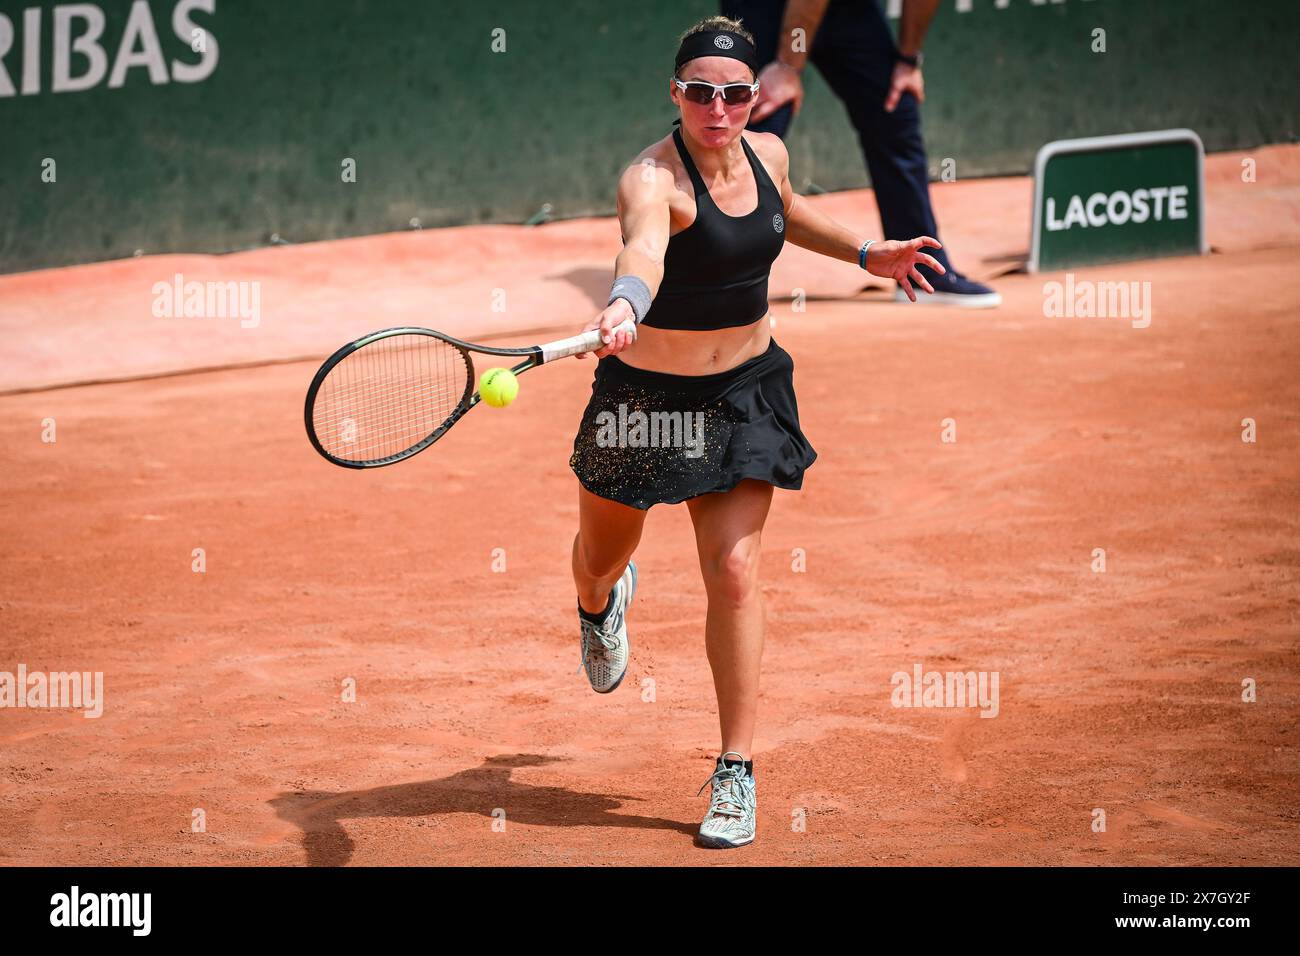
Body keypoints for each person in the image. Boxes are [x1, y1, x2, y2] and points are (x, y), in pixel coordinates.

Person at [566, 15, 944, 849]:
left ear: (750, 98)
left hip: (744, 391)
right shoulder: (650, 179)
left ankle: (736, 768)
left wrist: (867, 252)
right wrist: (626, 302)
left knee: (735, 571)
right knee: (600, 558)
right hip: (647, 403)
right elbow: (644, 250)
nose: (719, 109)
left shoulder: (768, 152)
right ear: (675, 93)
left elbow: (788, 210)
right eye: (700, 93)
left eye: (735, 94)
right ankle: (599, 606)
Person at [722, 0, 1001, 307]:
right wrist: (788, 67)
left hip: (849, 12)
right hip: (764, 7)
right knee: (754, 113)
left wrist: (908, 60)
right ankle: (714, 277)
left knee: (894, 108)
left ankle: (916, 268)